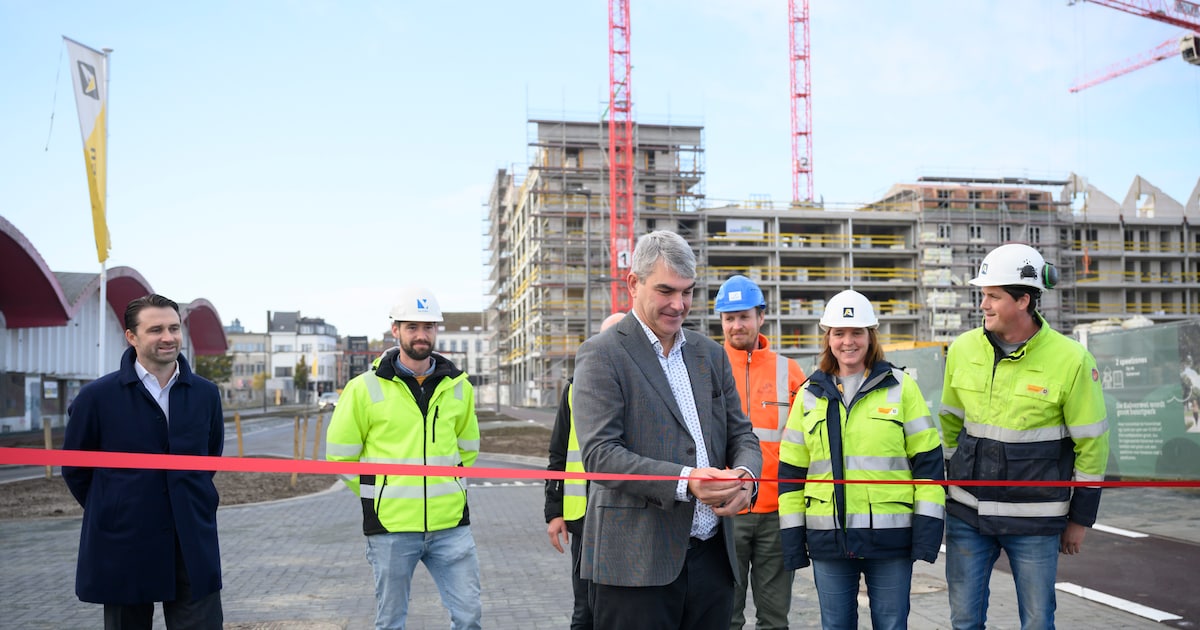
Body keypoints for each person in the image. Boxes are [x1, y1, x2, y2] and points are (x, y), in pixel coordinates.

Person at [571, 229, 762, 630]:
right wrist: (685, 481)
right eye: (666, 291)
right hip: (635, 563)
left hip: (712, 559)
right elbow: (601, 455)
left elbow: (741, 435)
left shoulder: (709, 354)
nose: (679, 305)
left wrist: (746, 478)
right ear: (633, 284)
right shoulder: (602, 354)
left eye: (687, 292)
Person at [941, 244, 1109, 630]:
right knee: (964, 620)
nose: (983, 304)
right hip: (968, 514)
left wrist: (1080, 519)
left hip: (1036, 520)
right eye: (983, 295)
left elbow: (1092, 444)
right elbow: (950, 422)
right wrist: (950, 486)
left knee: (1036, 621)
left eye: (993, 296)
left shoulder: (1072, 360)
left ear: (1024, 300)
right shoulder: (964, 349)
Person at [778, 290, 945, 630]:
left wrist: (927, 536)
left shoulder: (901, 388)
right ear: (828, 338)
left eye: (857, 332)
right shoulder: (809, 395)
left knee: (892, 624)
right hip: (829, 540)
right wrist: (794, 541)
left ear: (871, 336)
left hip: (891, 540)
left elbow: (928, 466)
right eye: (839, 333)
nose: (848, 341)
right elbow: (791, 473)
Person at [62, 294, 225, 629]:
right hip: (126, 541)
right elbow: (76, 469)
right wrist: (116, 505)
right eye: (155, 330)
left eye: (174, 328)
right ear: (131, 337)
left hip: (191, 538)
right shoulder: (97, 398)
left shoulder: (206, 395)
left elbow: (210, 457)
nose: (168, 337)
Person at [326, 287, 482, 630]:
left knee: (469, 617)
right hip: (391, 528)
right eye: (412, 327)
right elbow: (340, 457)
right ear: (395, 330)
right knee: (391, 622)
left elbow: (468, 448)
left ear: (436, 330)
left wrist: (450, 484)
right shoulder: (363, 388)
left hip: (450, 526)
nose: (421, 335)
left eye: (428, 327)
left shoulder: (459, 387)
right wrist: (379, 493)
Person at [713, 275, 806, 630]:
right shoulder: (706, 366)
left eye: (744, 316)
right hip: (724, 511)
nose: (737, 325)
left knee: (774, 618)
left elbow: (805, 443)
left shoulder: (789, 371)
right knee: (725, 616)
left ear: (761, 316)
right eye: (729, 317)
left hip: (777, 513)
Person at [544, 311, 627, 630]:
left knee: (623, 607)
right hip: (585, 519)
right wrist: (554, 511)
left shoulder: (646, 388)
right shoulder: (574, 388)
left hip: (630, 517)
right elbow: (558, 453)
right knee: (586, 608)